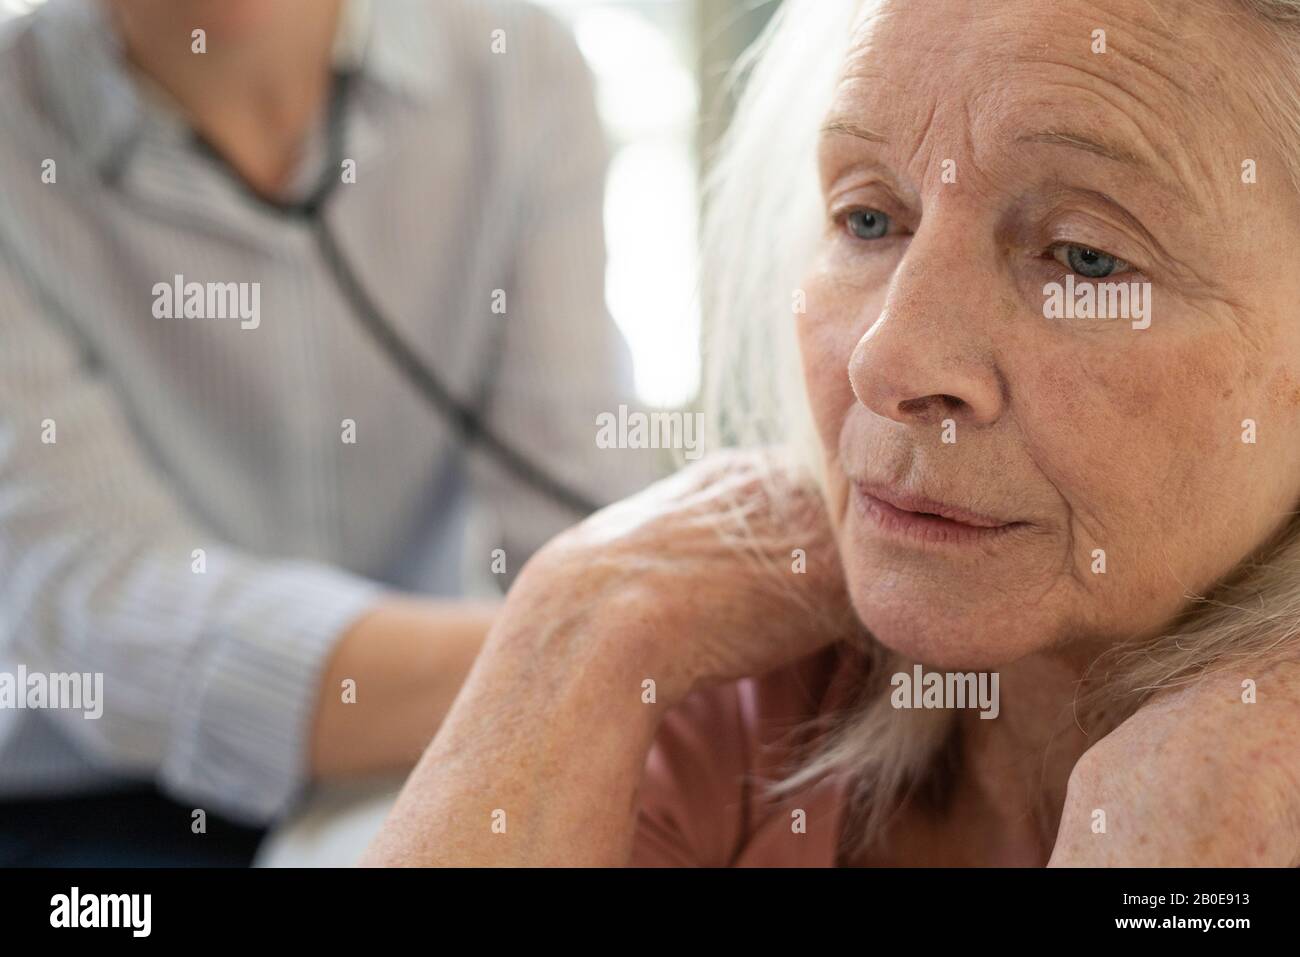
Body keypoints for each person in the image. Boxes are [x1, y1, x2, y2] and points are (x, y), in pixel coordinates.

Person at [366, 0, 1300, 866]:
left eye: (1086, 259)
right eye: (868, 218)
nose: (885, 364)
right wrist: (573, 626)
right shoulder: (732, 687)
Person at [0, 0, 653, 865]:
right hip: (96, 790)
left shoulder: (516, 64)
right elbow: (101, 601)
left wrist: (613, 640)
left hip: (422, 736)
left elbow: (572, 511)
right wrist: (606, 650)